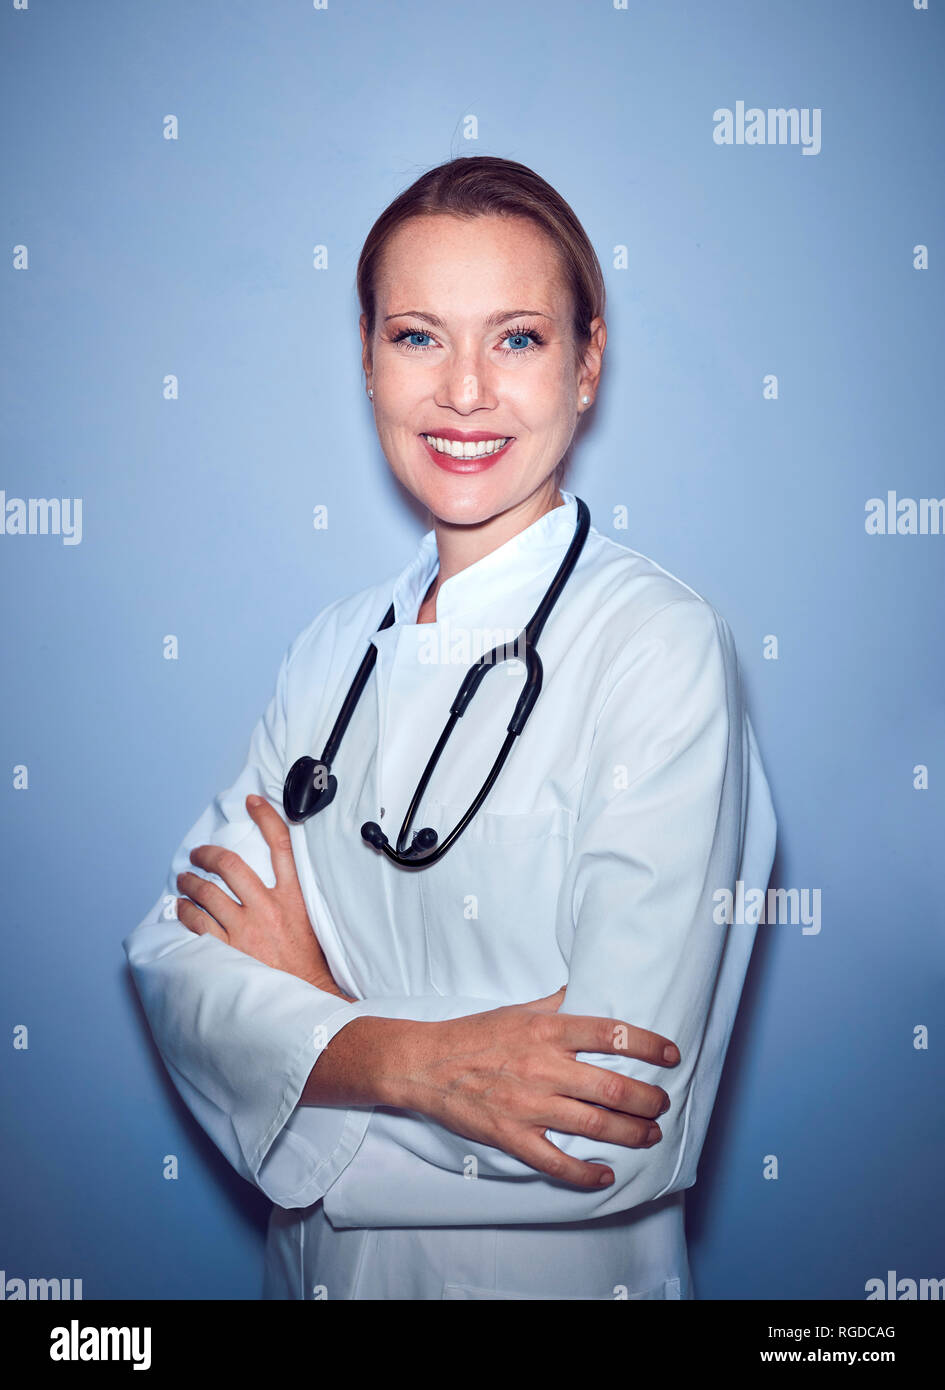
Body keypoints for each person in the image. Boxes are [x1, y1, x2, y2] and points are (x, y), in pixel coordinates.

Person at [123, 155, 777, 1301]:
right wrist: (425, 1064)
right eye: (419, 336)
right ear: (368, 362)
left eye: (517, 338)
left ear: (587, 364)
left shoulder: (659, 645)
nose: (463, 391)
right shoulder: (332, 651)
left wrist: (310, 1024)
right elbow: (173, 961)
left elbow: (606, 1120)